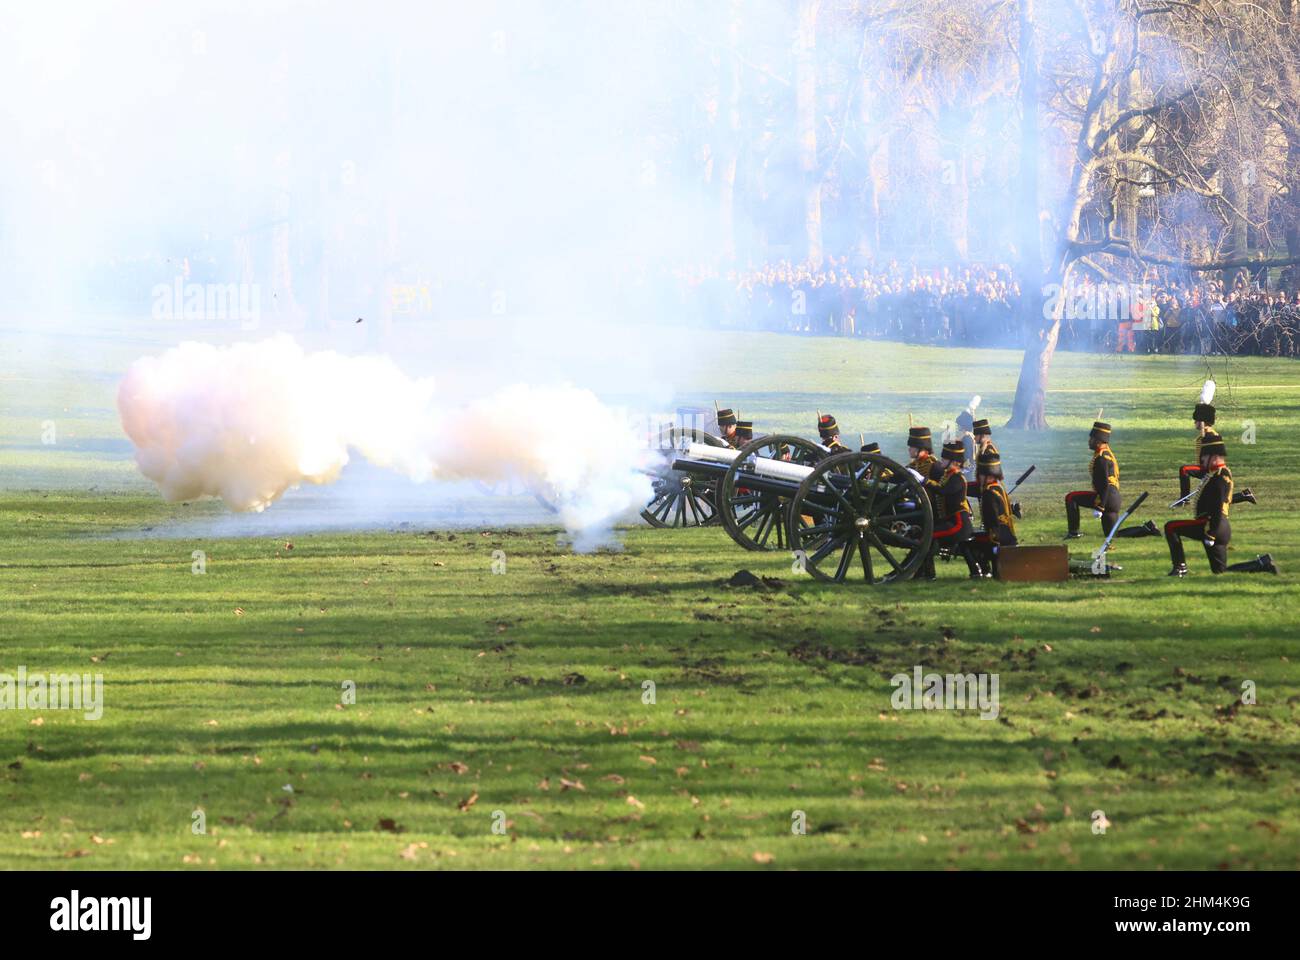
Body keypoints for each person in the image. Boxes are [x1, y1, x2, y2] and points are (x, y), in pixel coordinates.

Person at [1163, 432, 1278, 577]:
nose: (1202, 460)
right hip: (1220, 527)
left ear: (1214, 456)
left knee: (1171, 527)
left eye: (1204, 456)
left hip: (1211, 525)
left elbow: (1217, 507)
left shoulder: (1220, 477)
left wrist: (1210, 533)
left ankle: (1180, 567)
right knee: (1220, 571)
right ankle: (1262, 564)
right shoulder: (1217, 474)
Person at [1064, 421, 1159, 540]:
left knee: (1071, 497)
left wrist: (1100, 506)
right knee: (1113, 535)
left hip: (1106, 498)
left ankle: (1073, 533)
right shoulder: (1106, 453)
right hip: (1113, 498)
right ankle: (1147, 529)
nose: (1089, 441)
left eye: (1092, 439)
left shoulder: (1101, 458)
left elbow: (1104, 484)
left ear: (1098, 441)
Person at [1176, 388, 1256, 504]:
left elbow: (1216, 458)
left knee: (1184, 470)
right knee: (1213, 500)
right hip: (1207, 469)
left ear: (1202, 421)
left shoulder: (1211, 434)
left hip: (1211, 470)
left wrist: (1212, 472)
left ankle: (1184, 498)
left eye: (1196, 421)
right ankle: (1244, 495)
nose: (1194, 423)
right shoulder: (1205, 435)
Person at [919, 440, 981, 579]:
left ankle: (928, 574)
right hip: (953, 521)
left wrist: (924, 481)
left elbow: (943, 491)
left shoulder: (957, 478)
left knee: (928, 536)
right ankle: (976, 572)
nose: (941, 461)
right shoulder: (948, 476)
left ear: (954, 461)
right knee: (963, 548)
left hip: (958, 523)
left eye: (944, 458)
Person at [967, 449, 1017, 578]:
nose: (978, 478)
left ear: (987, 475)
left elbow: (992, 521)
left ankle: (983, 571)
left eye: (980, 475)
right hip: (1008, 536)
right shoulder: (999, 487)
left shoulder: (989, 493)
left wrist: (995, 543)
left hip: (998, 539)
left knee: (968, 542)